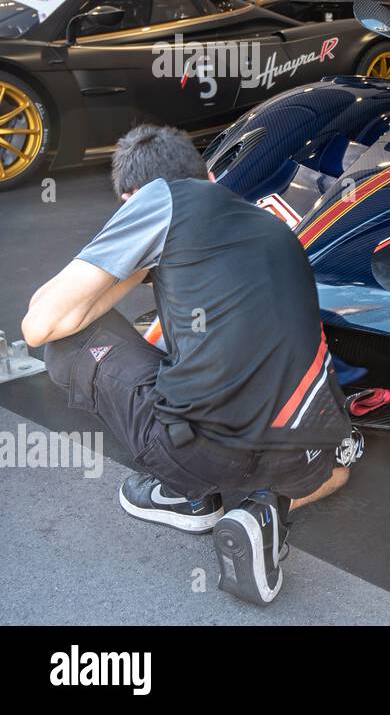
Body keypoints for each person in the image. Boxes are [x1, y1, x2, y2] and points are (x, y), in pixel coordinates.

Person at [22, 125, 361, 606]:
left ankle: (187, 496)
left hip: (200, 452)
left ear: (130, 198)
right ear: (208, 173)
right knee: (335, 470)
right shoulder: (267, 223)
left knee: (68, 339)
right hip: (309, 441)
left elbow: (40, 324)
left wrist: (126, 262)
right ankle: (264, 508)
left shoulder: (157, 199)